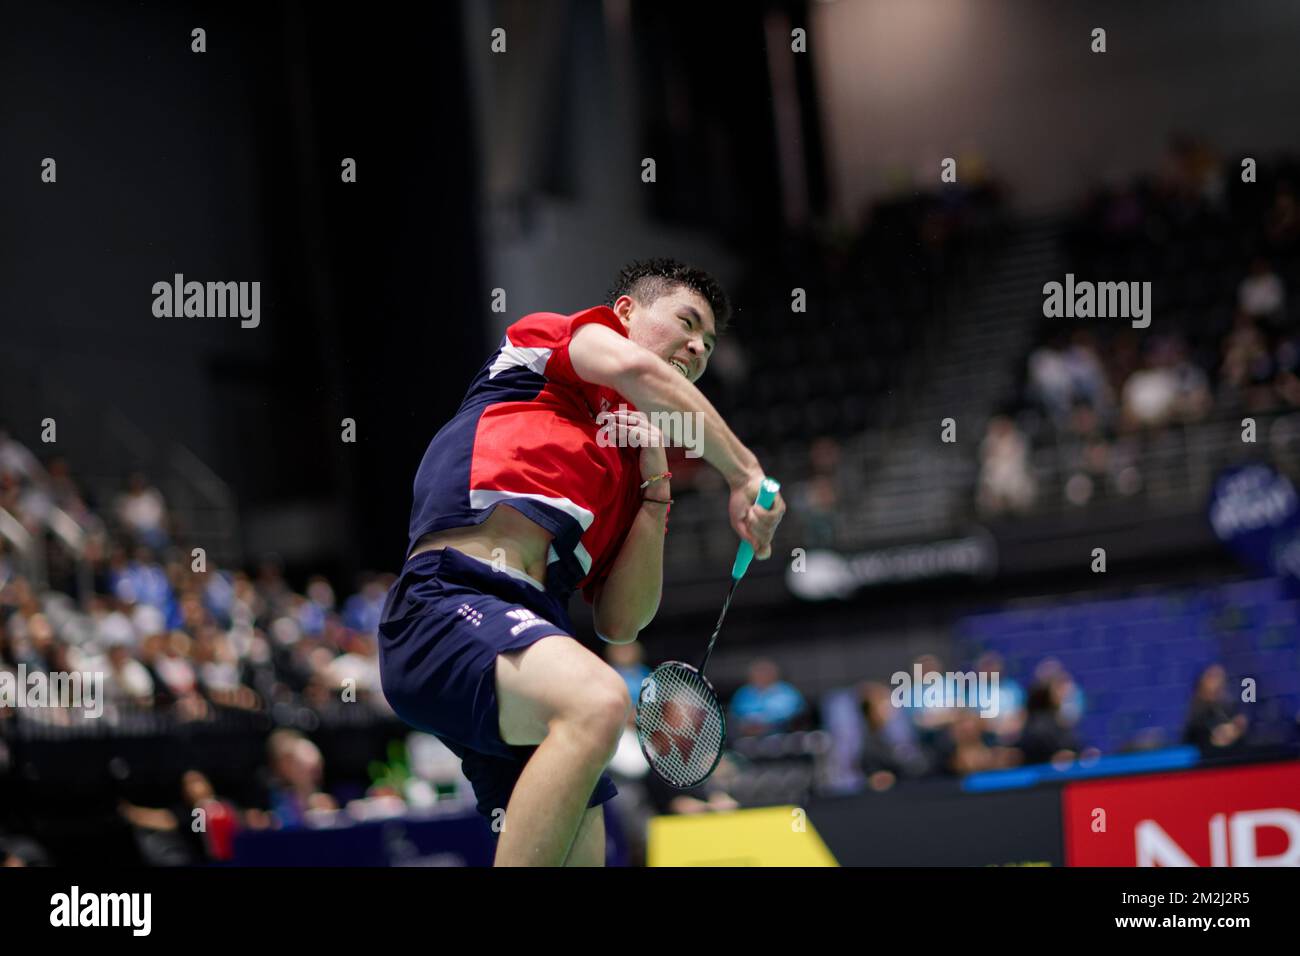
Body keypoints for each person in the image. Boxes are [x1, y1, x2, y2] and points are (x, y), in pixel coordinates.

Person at [377, 259, 785, 866]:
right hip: (446, 602)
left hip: (528, 644)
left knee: (584, 854)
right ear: (625, 313)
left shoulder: (627, 475)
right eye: (687, 322)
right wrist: (744, 472)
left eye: (708, 344)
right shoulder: (548, 344)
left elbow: (622, 622)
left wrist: (654, 487)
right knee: (599, 701)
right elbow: (633, 369)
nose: (698, 348)